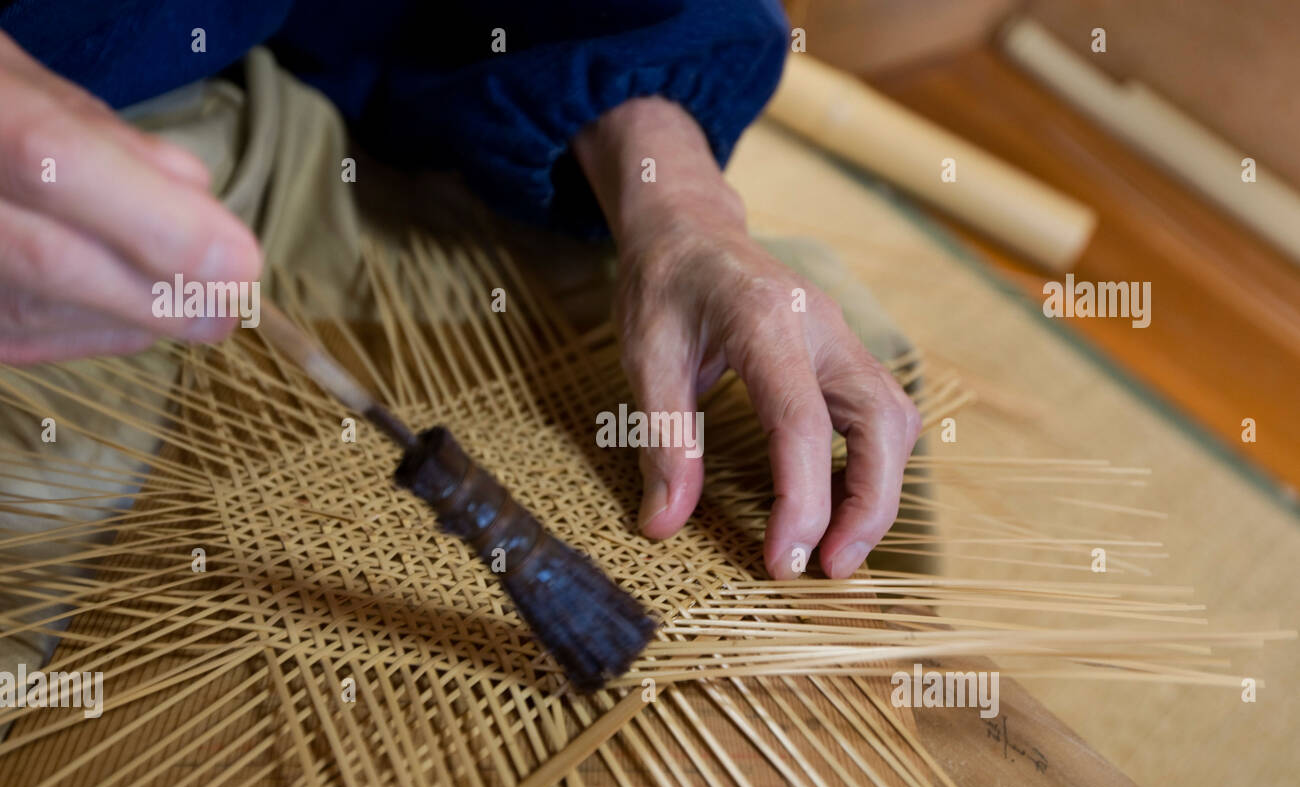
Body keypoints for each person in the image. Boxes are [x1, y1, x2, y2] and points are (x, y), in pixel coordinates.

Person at [0, 1, 920, 581]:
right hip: (59, 118)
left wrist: (681, 206)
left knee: (828, 366)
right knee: (39, 519)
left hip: (284, 65)